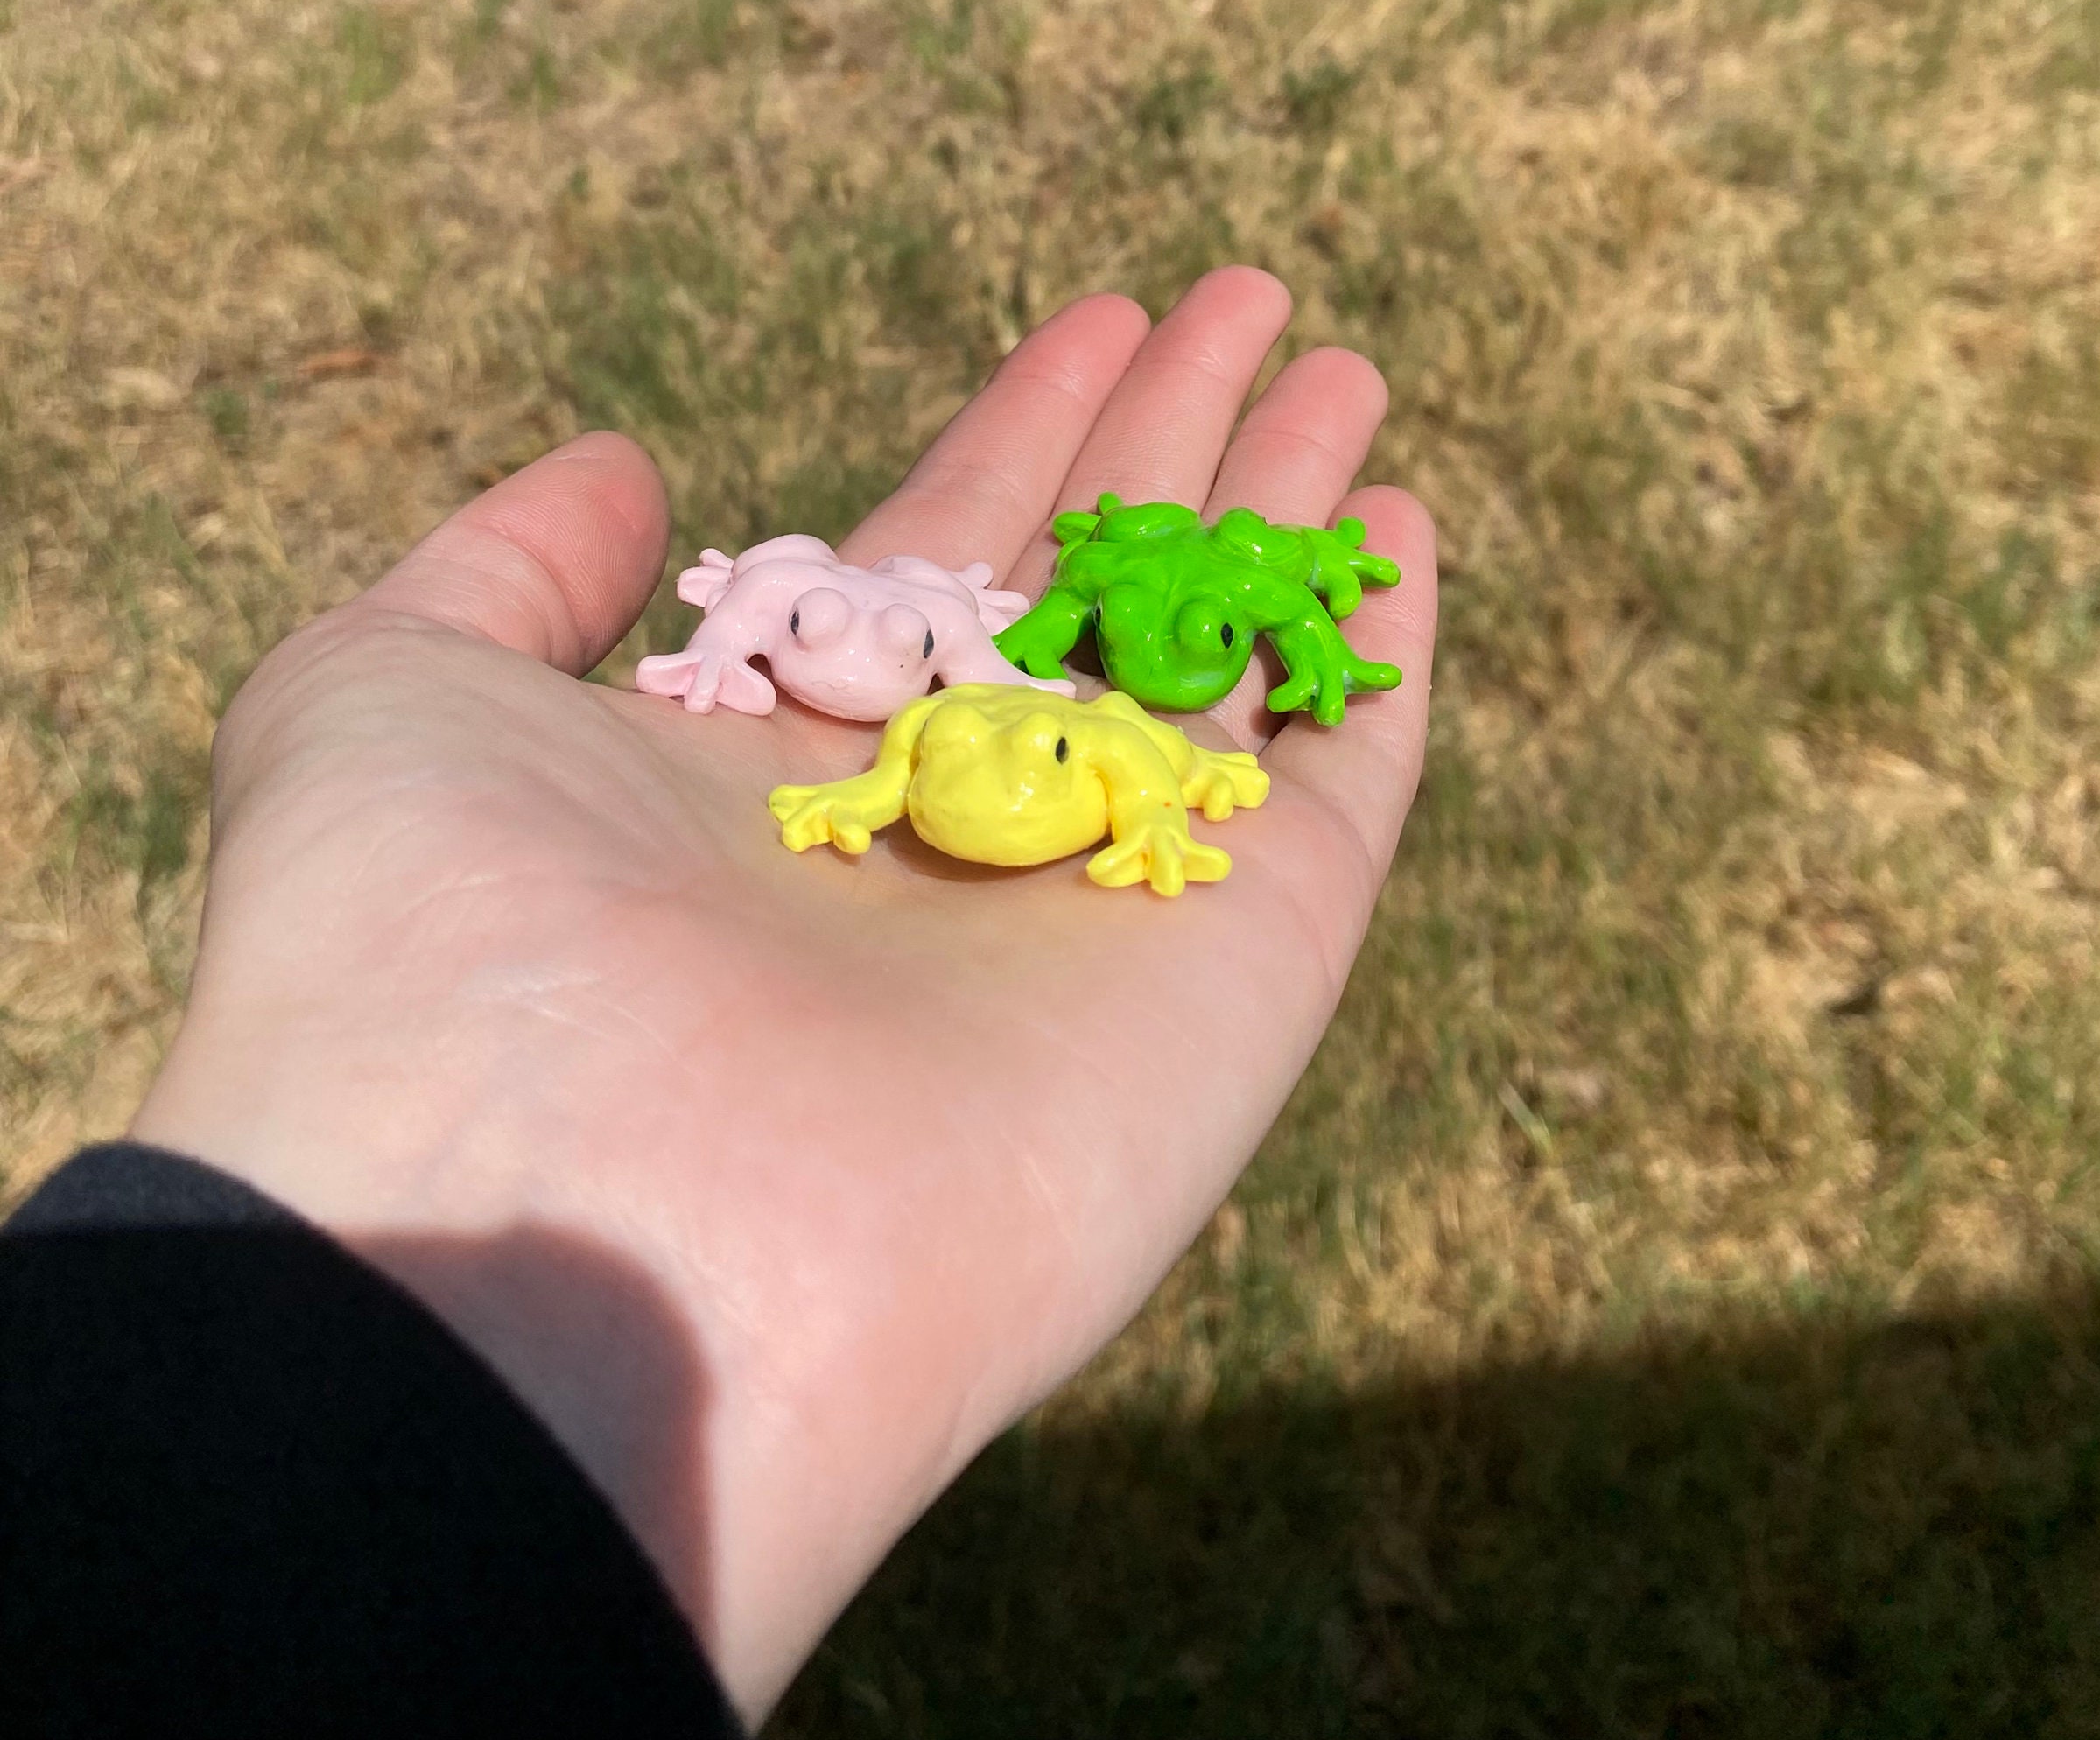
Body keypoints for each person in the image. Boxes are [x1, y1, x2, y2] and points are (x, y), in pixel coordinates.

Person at [1, 268, 1435, 1735]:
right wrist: (859, 782)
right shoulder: (926, 739)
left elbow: (1100, 736)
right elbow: (906, 745)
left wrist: (1163, 794)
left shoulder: (1049, 727)